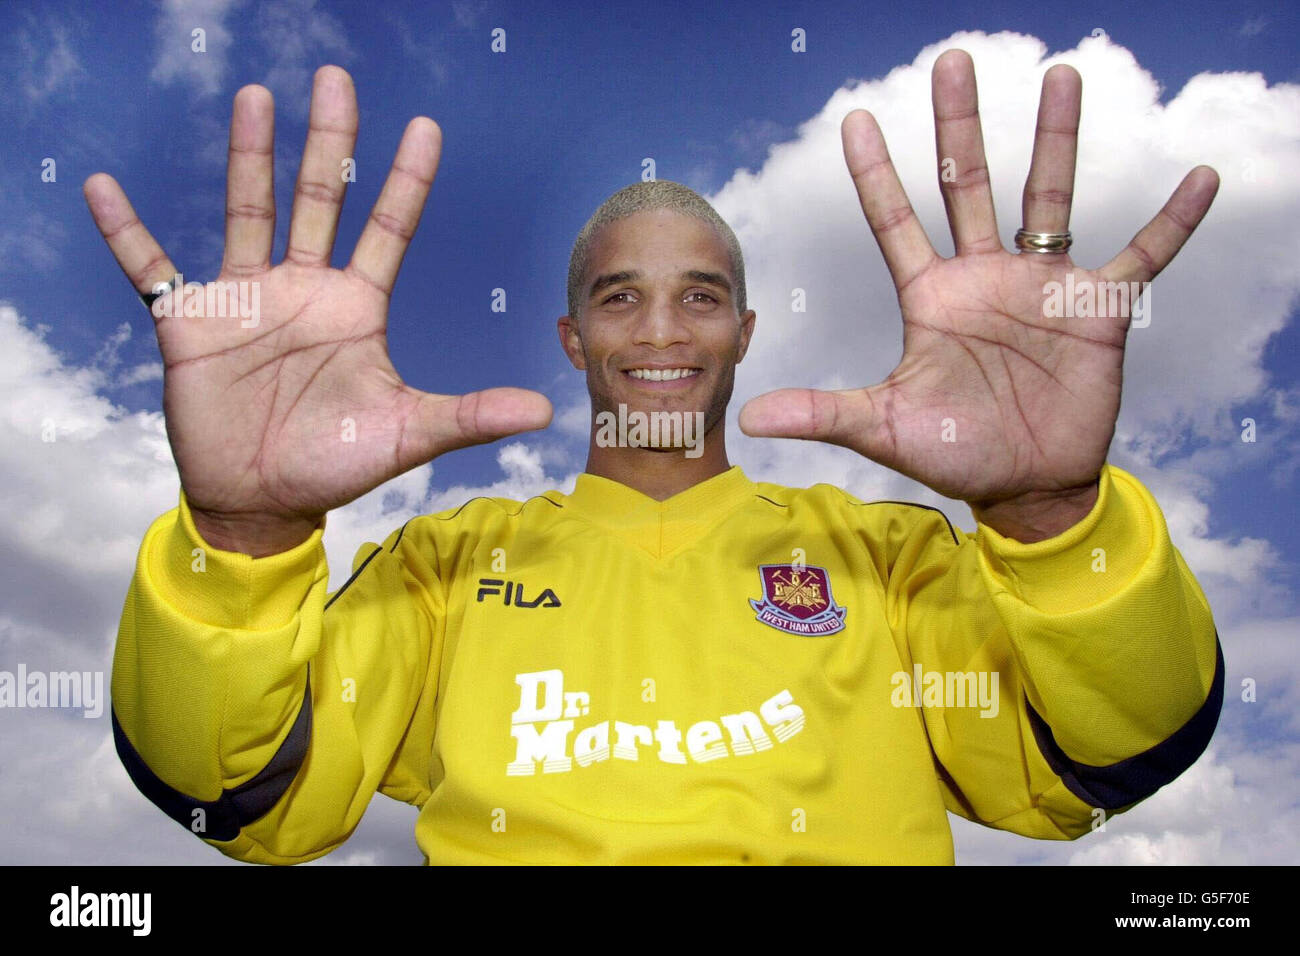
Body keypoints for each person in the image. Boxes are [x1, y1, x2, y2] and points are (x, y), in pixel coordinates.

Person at [87, 53, 1223, 865]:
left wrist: (1051, 511)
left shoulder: (889, 558)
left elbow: (1094, 761)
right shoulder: (442, 566)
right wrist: (241, 535)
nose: (664, 332)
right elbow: (236, 798)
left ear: (743, 333)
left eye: (702, 298)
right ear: (572, 338)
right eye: (619, 297)